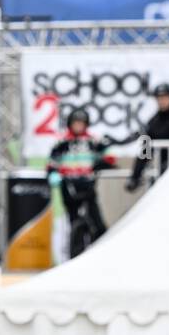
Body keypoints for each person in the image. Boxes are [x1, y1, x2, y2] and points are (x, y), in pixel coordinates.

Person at [47, 108, 117, 262]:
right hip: (68, 186)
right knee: (74, 222)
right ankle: (75, 257)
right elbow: (51, 163)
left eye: (81, 123)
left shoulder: (93, 141)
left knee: (97, 223)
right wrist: (54, 174)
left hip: (88, 184)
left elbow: (110, 158)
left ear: (86, 124)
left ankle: (101, 257)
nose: (78, 126)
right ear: (70, 124)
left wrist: (100, 165)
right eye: (75, 123)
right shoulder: (62, 142)